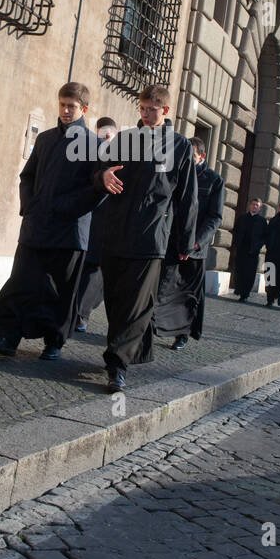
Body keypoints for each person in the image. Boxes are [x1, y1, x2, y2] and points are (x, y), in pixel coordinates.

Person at [0, 83, 103, 360]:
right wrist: (30, 205)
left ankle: (54, 343)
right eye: (62, 104)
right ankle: (10, 338)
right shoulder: (46, 139)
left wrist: (65, 208)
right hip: (36, 225)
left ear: (83, 109)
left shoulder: (95, 145)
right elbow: (28, 177)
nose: (64, 110)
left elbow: (98, 191)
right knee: (22, 283)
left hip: (70, 231)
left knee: (60, 291)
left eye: (71, 106)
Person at [93, 84, 197, 392]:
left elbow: (187, 198)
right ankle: (123, 352)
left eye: (152, 109)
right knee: (114, 299)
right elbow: (97, 172)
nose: (146, 114)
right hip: (115, 233)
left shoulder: (180, 146)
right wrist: (103, 177)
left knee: (136, 305)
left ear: (165, 111)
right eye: (142, 108)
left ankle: (117, 364)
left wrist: (185, 241)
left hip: (152, 237)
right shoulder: (124, 140)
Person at [154, 136, 224, 349]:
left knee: (188, 295)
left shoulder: (214, 180)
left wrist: (195, 243)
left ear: (201, 156)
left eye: (191, 156)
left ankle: (183, 333)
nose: (187, 159)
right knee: (163, 287)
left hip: (195, 249)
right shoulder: (177, 172)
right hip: (172, 242)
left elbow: (215, 218)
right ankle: (155, 327)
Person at [72, 117, 118, 332]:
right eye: (101, 134)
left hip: (109, 222)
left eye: (108, 135)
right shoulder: (90, 153)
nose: (105, 138)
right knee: (85, 268)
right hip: (87, 217)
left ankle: (81, 314)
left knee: (95, 270)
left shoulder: (124, 156)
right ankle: (77, 311)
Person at [230, 197, 267, 302]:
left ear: (259, 208)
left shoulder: (262, 221)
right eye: (253, 204)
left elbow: (264, 237)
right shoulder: (242, 217)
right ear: (250, 205)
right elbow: (236, 230)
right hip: (242, 249)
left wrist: (258, 246)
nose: (255, 206)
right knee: (239, 270)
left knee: (249, 273)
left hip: (253, 251)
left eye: (257, 205)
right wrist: (237, 242)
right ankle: (238, 290)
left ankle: (245, 294)